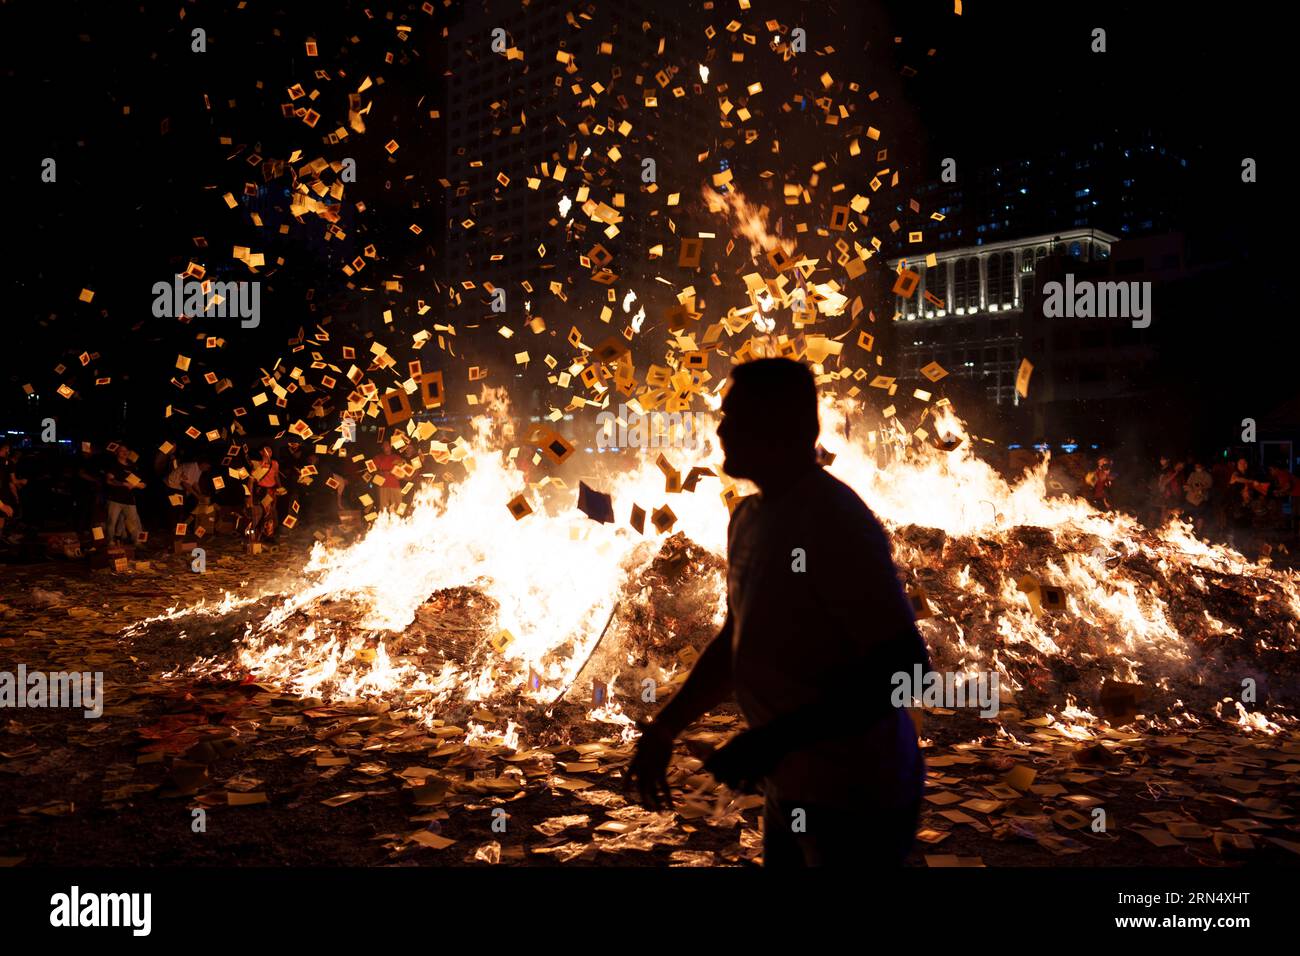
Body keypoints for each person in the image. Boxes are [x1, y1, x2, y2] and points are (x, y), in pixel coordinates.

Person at [627, 358, 929, 867]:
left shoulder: (833, 521)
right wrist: (664, 728)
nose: (721, 429)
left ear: (781, 426)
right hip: (791, 790)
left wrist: (772, 740)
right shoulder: (747, 517)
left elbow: (905, 669)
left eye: (735, 415)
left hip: (859, 798)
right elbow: (737, 639)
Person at [104, 443, 145, 545]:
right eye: (122, 451)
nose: (125, 453)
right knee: (111, 522)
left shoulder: (132, 466)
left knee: (133, 522)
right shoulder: (113, 465)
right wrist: (123, 484)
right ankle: (110, 542)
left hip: (129, 499)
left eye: (126, 451)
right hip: (114, 499)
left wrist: (138, 485)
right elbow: (109, 480)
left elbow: (141, 482)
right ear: (117, 452)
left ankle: (137, 542)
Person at [248, 445, 281, 541]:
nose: (268, 452)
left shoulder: (275, 463)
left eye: (270, 450)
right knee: (263, 513)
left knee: (271, 512)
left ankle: (269, 535)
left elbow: (276, 476)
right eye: (266, 450)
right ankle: (259, 536)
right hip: (261, 491)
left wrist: (280, 487)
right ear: (261, 452)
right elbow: (251, 481)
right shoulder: (257, 464)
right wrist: (250, 496)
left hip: (272, 491)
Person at [372, 437, 403, 512]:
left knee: (398, 508)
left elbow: (401, 472)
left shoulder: (397, 457)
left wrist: (397, 473)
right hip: (383, 486)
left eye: (387, 445)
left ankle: (398, 522)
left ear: (391, 446)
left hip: (395, 486)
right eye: (384, 445)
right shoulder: (378, 458)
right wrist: (381, 473)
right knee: (383, 509)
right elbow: (372, 470)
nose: (385, 447)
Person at [1183, 461, 1213, 530]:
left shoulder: (1207, 476)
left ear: (1203, 467)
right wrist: (1190, 488)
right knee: (1187, 515)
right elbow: (1188, 484)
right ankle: (1187, 530)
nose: (1197, 468)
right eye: (1196, 467)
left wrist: (1200, 489)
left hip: (1201, 500)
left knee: (1200, 517)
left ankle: (1198, 532)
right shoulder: (1192, 474)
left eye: (1199, 467)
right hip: (1190, 499)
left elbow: (1208, 486)